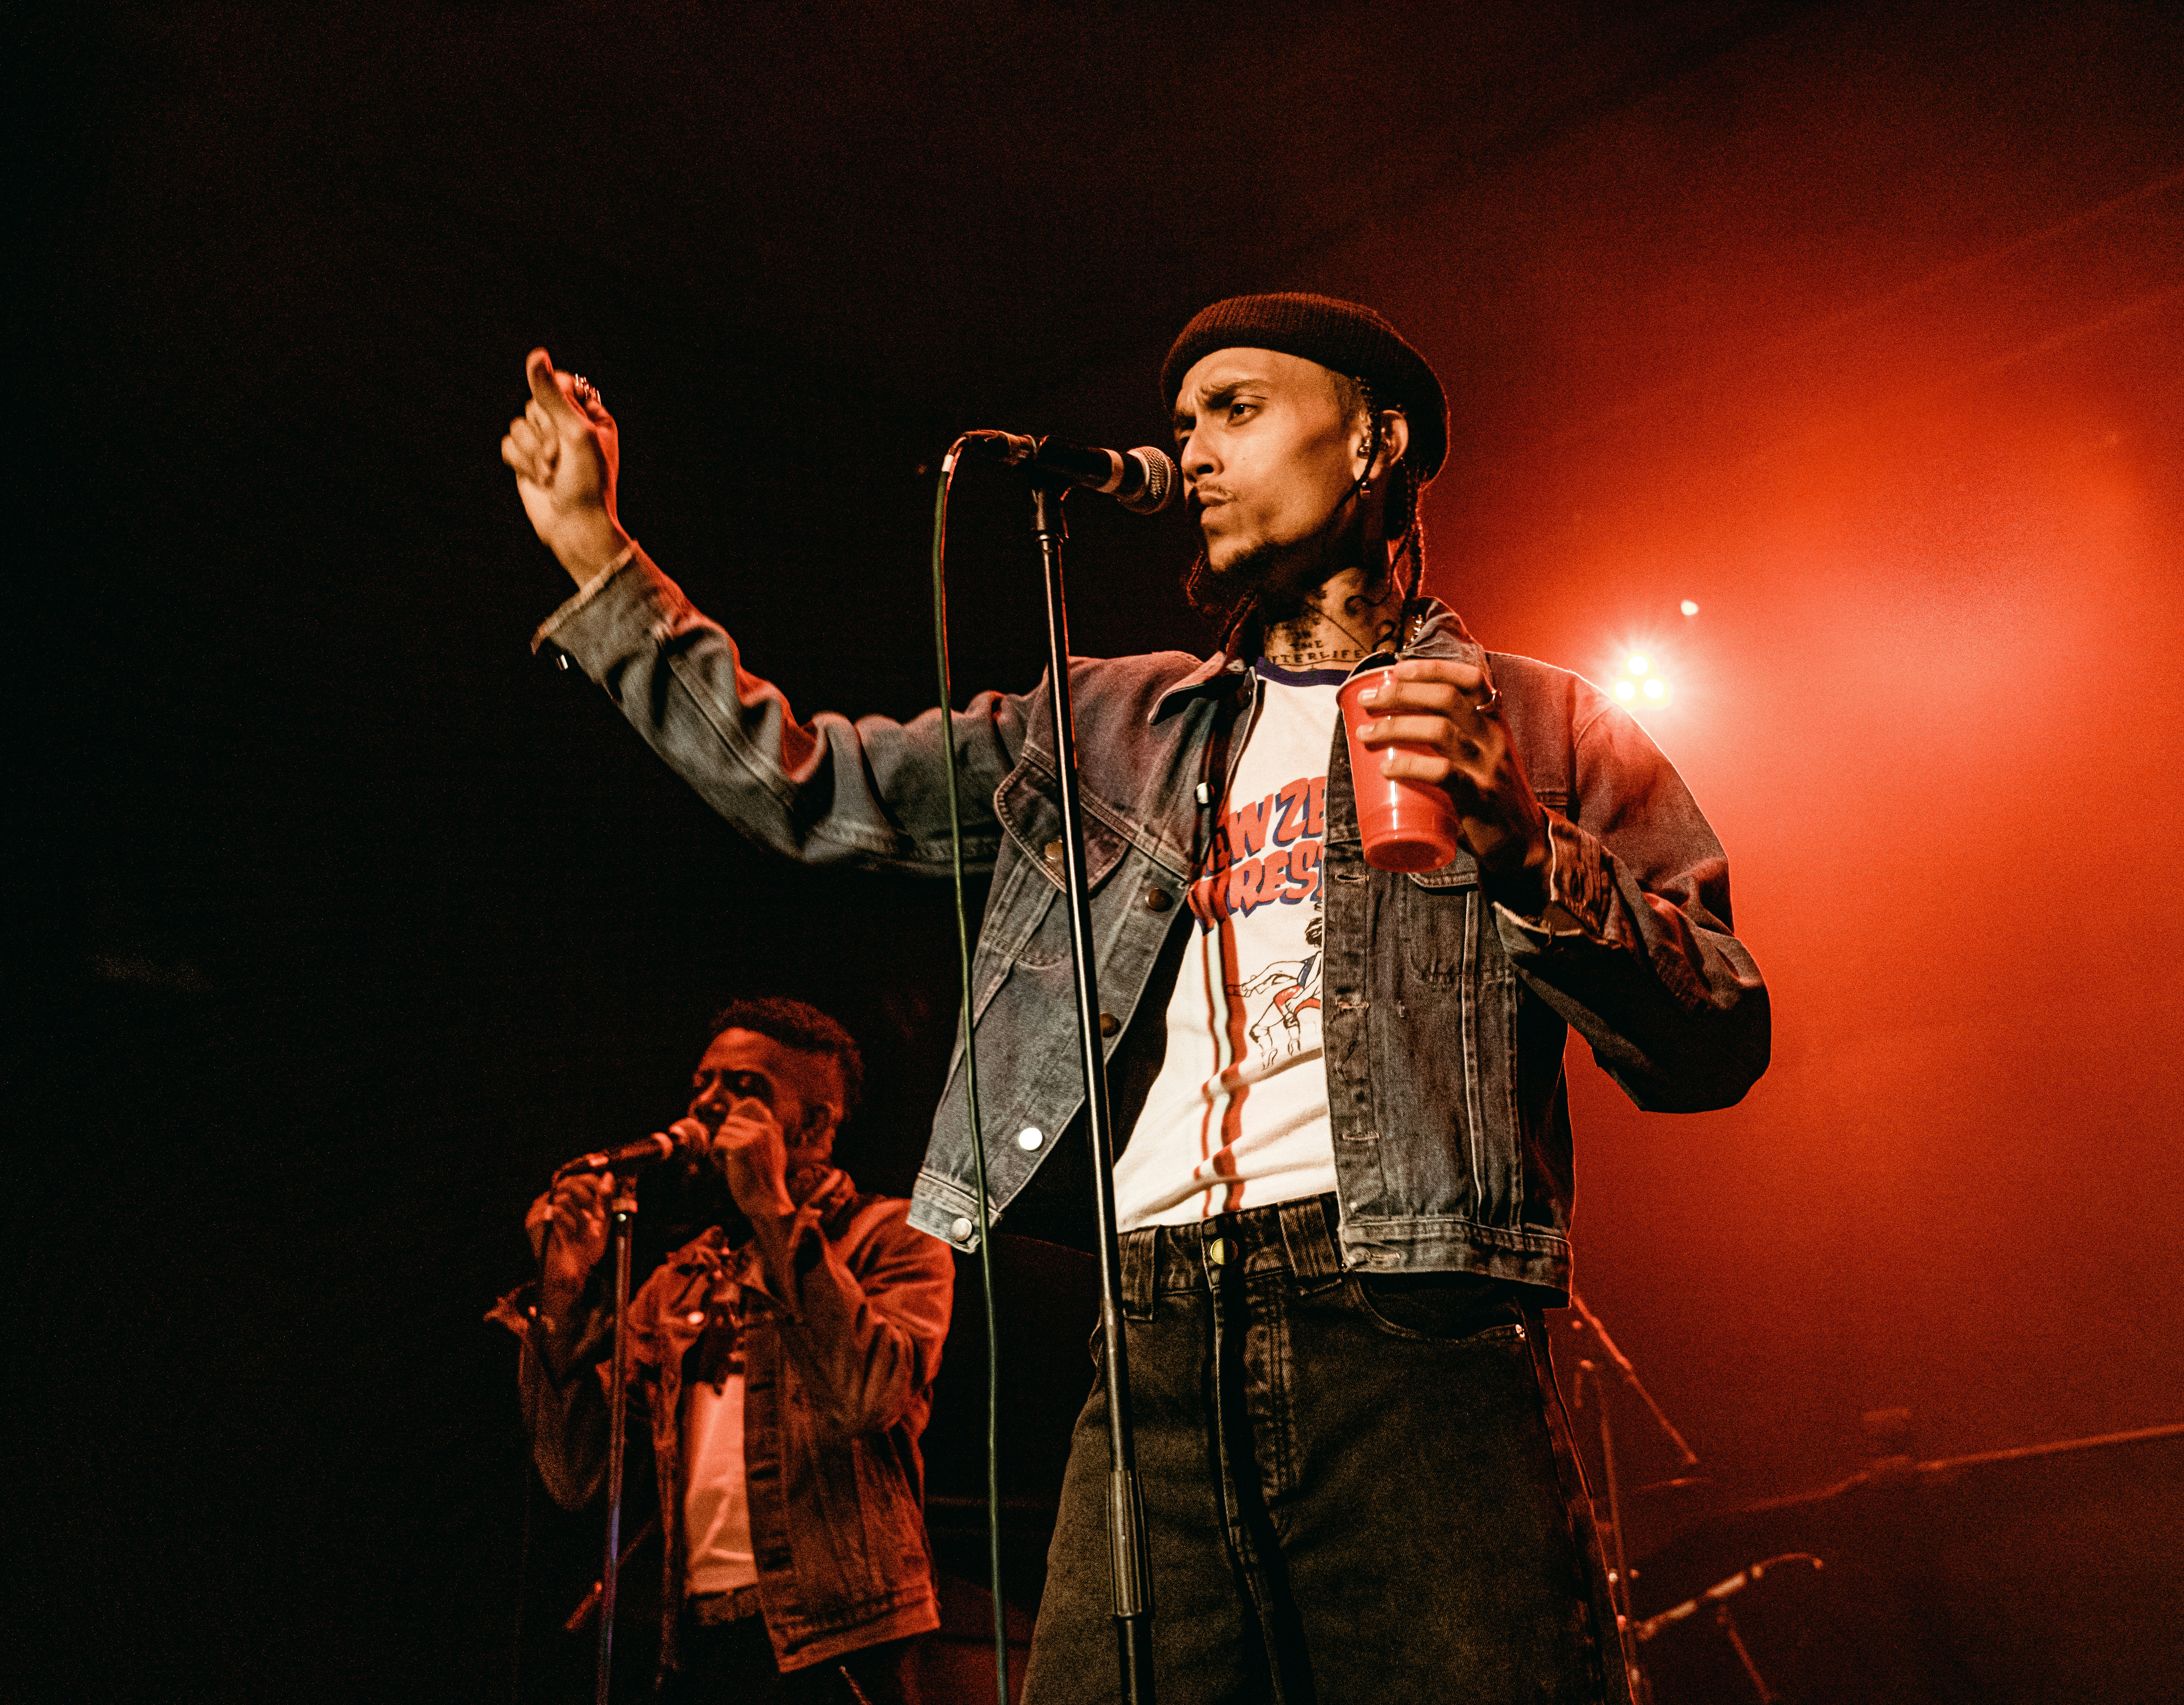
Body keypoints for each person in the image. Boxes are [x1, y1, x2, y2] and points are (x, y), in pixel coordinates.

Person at [501, 294, 1769, 1703]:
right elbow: (807, 785)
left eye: (1236, 410)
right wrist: (595, 556)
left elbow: (1713, 1028)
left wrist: (1529, 852)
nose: (1195, 453)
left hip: (1408, 1342)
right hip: (1154, 1344)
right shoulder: (1103, 724)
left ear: (1373, 439)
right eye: (1182, 426)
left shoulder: (1542, 719)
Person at [496, 997, 954, 1703]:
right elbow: (578, 1477)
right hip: (697, 1634)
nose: (709, 1102)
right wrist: (562, 1298)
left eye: (745, 1089)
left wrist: (771, 1207)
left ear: (816, 1126)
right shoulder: (681, 1277)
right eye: (704, 1083)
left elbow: (870, 1397)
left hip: (841, 1629)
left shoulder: (890, 1238)